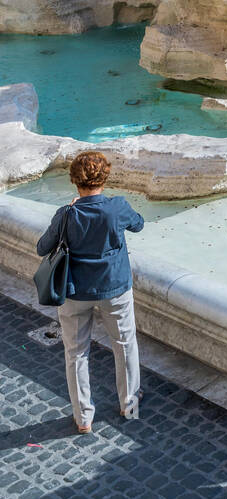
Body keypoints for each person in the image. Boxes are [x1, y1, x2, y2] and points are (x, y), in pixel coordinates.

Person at [36, 150, 143, 435]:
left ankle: (83, 418)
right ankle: (129, 405)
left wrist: (69, 213)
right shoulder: (117, 207)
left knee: (76, 353)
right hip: (114, 289)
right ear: (104, 178)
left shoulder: (67, 213)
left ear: (75, 181)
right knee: (125, 345)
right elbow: (139, 224)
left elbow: (42, 248)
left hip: (74, 292)